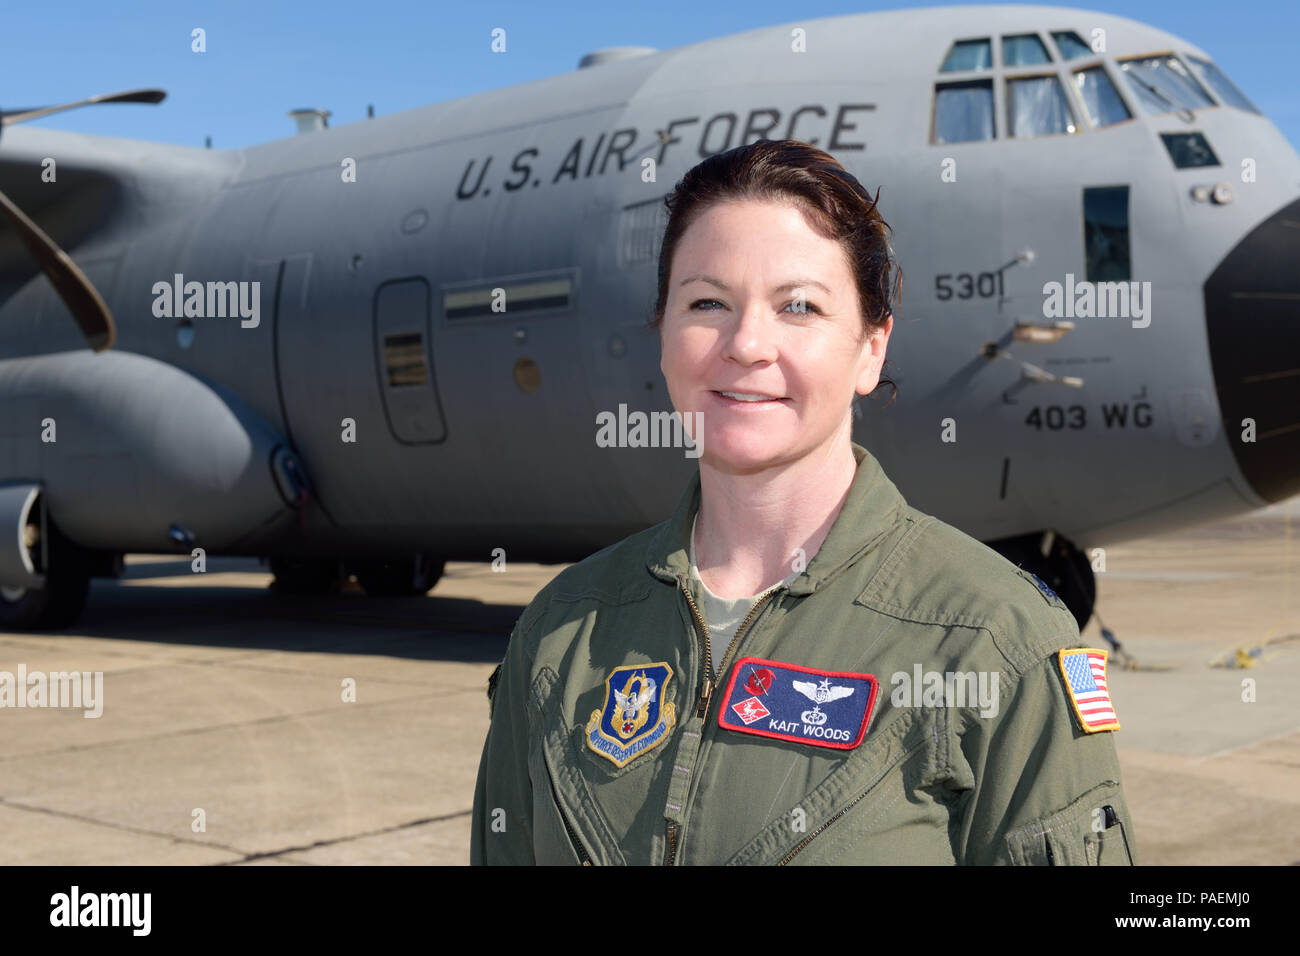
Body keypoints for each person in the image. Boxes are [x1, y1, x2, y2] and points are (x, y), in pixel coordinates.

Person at [470, 139, 1137, 865]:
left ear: (870, 350)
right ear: (662, 335)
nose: (747, 343)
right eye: (706, 302)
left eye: (799, 306)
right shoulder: (561, 630)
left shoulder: (996, 642)